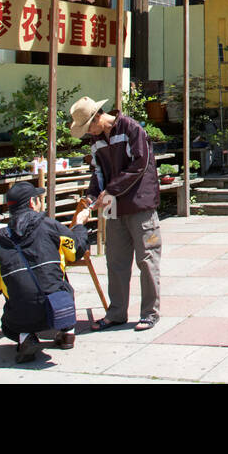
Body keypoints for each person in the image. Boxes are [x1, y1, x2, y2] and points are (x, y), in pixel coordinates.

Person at [69, 96, 161, 331]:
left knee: (147, 260)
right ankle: (117, 313)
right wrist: (91, 198)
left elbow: (140, 165)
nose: (88, 133)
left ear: (97, 117)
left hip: (141, 205)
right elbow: (97, 172)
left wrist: (110, 190)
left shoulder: (131, 129)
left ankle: (149, 313)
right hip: (114, 207)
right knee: (116, 263)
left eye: (88, 127)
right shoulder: (97, 141)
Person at [0, 180, 89, 363]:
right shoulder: (50, 226)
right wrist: (79, 225)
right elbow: (77, 250)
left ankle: (26, 338)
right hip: (58, 307)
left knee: (10, 319)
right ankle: (67, 332)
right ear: (32, 203)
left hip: (21, 314)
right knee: (59, 280)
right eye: (39, 199)